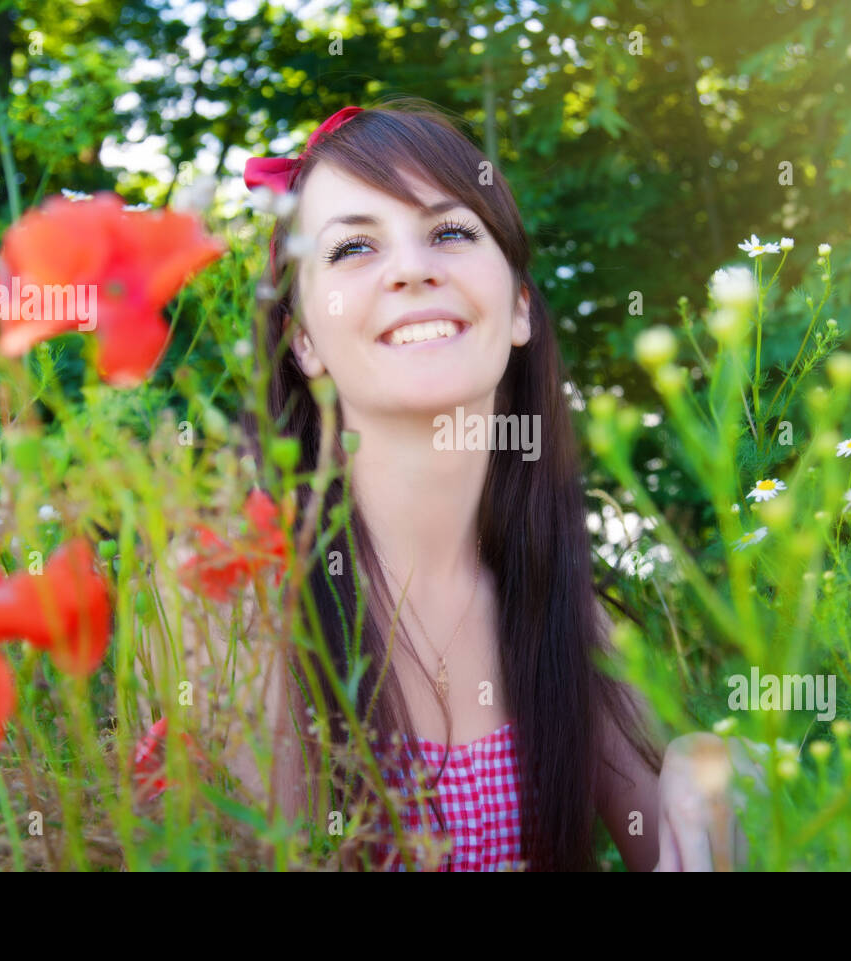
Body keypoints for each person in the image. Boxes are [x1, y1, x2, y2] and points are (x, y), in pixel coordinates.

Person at [175, 97, 757, 871]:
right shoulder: (239, 594)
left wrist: (711, 789)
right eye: (352, 248)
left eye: (451, 231)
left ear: (518, 306)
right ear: (304, 339)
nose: (414, 267)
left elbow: (673, 854)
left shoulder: (563, 607)